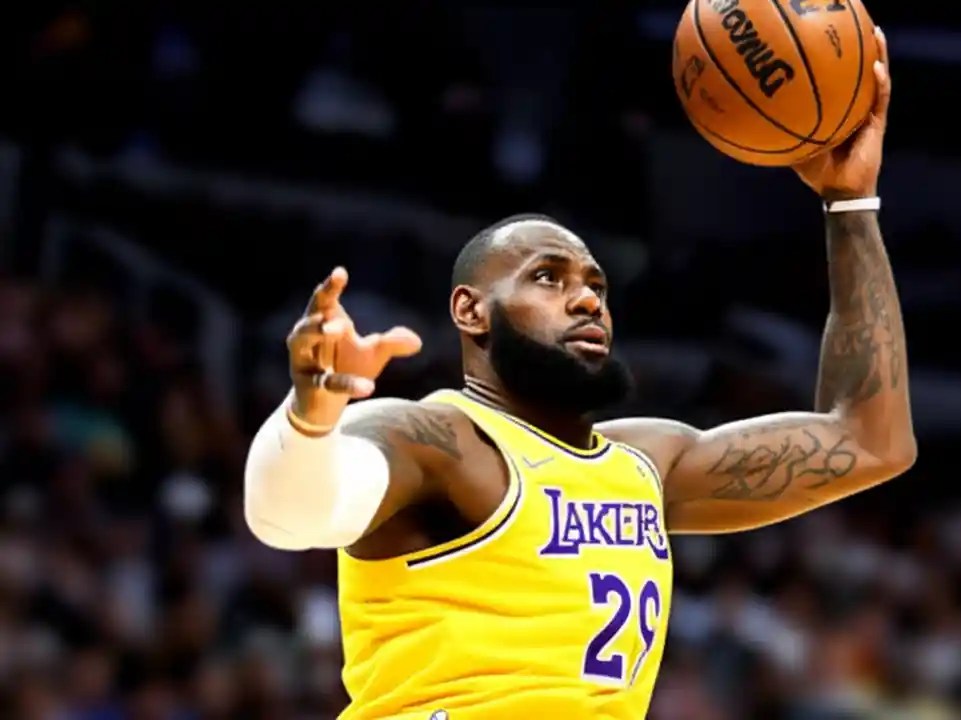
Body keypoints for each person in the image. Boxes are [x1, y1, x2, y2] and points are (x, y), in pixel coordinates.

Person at [244, 28, 912, 720]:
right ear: (471, 311)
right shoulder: (436, 440)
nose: (588, 298)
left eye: (596, 284)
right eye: (548, 277)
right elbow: (288, 518)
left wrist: (850, 204)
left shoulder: (648, 462)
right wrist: (309, 421)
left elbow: (871, 441)